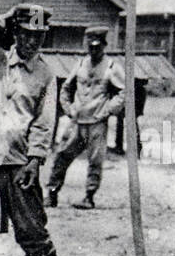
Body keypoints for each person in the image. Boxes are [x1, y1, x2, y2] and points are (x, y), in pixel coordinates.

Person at [0, 4, 78, 256]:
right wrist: (2, 21)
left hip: (18, 162)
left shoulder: (45, 74)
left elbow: (43, 122)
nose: (31, 43)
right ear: (15, 33)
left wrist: (36, 159)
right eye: (26, 35)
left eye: (38, 37)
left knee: (33, 234)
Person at [48, 25, 126, 209]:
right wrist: (68, 108)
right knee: (62, 155)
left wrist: (108, 110)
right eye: (90, 46)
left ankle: (89, 197)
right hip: (77, 120)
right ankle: (51, 193)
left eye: (97, 46)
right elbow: (66, 88)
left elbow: (123, 92)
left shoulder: (112, 67)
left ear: (104, 45)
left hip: (97, 122)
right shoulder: (81, 64)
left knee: (95, 161)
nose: (93, 50)